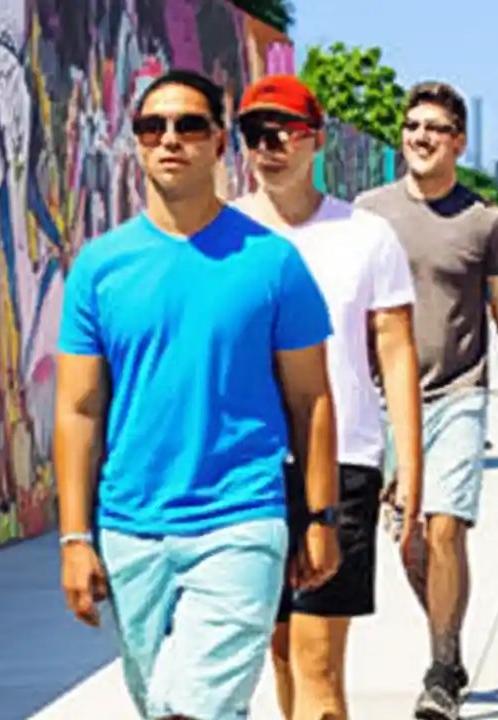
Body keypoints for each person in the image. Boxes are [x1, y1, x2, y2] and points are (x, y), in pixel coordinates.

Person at [54, 70, 339, 720]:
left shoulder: (273, 263)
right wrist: (75, 537)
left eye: (189, 125)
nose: (170, 140)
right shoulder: (100, 267)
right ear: (137, 144)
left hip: (241, 520)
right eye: (153, 128)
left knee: (195, 709)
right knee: (166, 708)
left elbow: (311, 401)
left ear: (218, 143)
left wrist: (320, 518)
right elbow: (78, 410)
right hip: (131, 531)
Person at [230, 74, 423, 720]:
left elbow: (395, 352)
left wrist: (410, 467)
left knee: (318, 660)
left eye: (284, 132)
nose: (269, 146)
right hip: (245, 467)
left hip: (341, 463)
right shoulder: (220, 237)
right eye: (256, 134)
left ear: (315, 141)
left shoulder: (366, 236)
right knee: (280, 651)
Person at [355, 80, 498, 720]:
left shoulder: (484, 222)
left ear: (458, 140)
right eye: (413, 126)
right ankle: (451, 643)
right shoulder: (367, 212)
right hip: (381, 403)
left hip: (457, 394)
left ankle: (440, 671)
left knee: (443, 527)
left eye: (435, 128)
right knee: (410, 544)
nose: (421, 137)